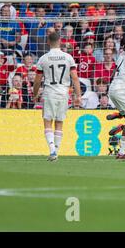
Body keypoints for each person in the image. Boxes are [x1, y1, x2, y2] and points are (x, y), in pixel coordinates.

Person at [32, 32, 81, 161]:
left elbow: (37, 80)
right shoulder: (68, 57)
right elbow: (75, 78)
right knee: (59, 122)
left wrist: (35, 93)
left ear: (48, 42)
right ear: (60, 41)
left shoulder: (43, 58)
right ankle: (56, 152)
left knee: (48, 121)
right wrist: (78, 95)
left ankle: (52, 150)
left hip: (50, 93)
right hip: (64, 93)